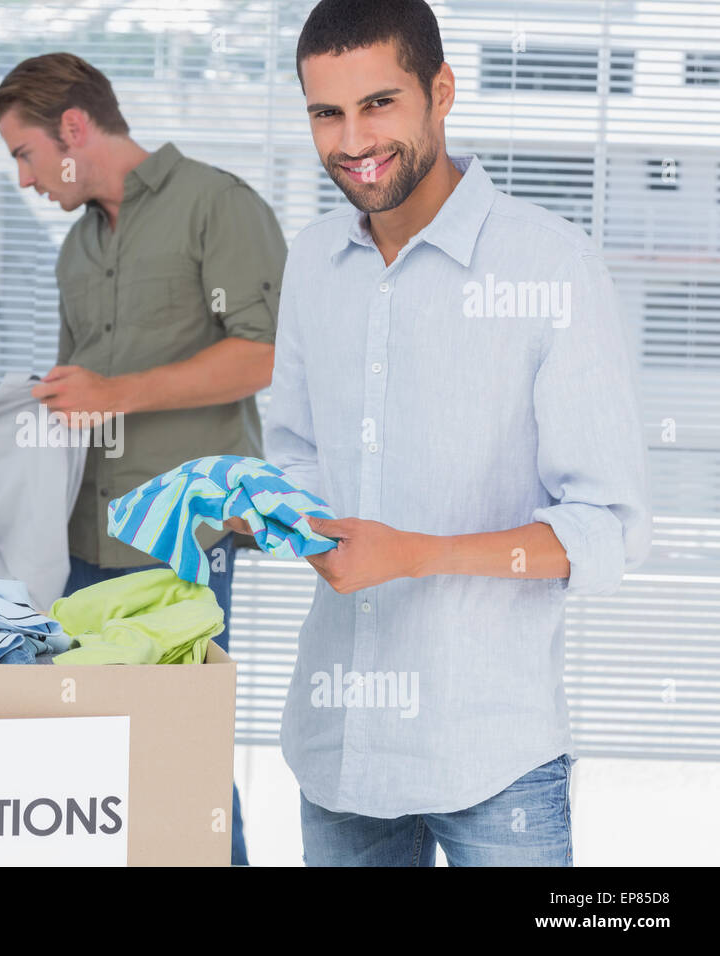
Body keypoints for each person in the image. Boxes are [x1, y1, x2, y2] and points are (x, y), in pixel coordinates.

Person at [245, 0, 652, 865]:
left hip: (492, 761)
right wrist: (284, 517)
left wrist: (419, 553)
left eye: (379, 103)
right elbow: (297, 451)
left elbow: (607, 528)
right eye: (327, 113)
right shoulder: (313, 260)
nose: (353, 140)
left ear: (442, 91)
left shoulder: (551, 266)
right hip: (338, 750)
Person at [0, 52, 287, 865]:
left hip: (181, 543)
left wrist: (116, 391)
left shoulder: (215, 207)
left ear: (73, 130)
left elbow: (264, 358)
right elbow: (68, 407)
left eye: (24, 153)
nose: (23, 179)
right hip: (80, 543)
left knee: (180, 758)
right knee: (85, 768)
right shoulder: (75, 253)